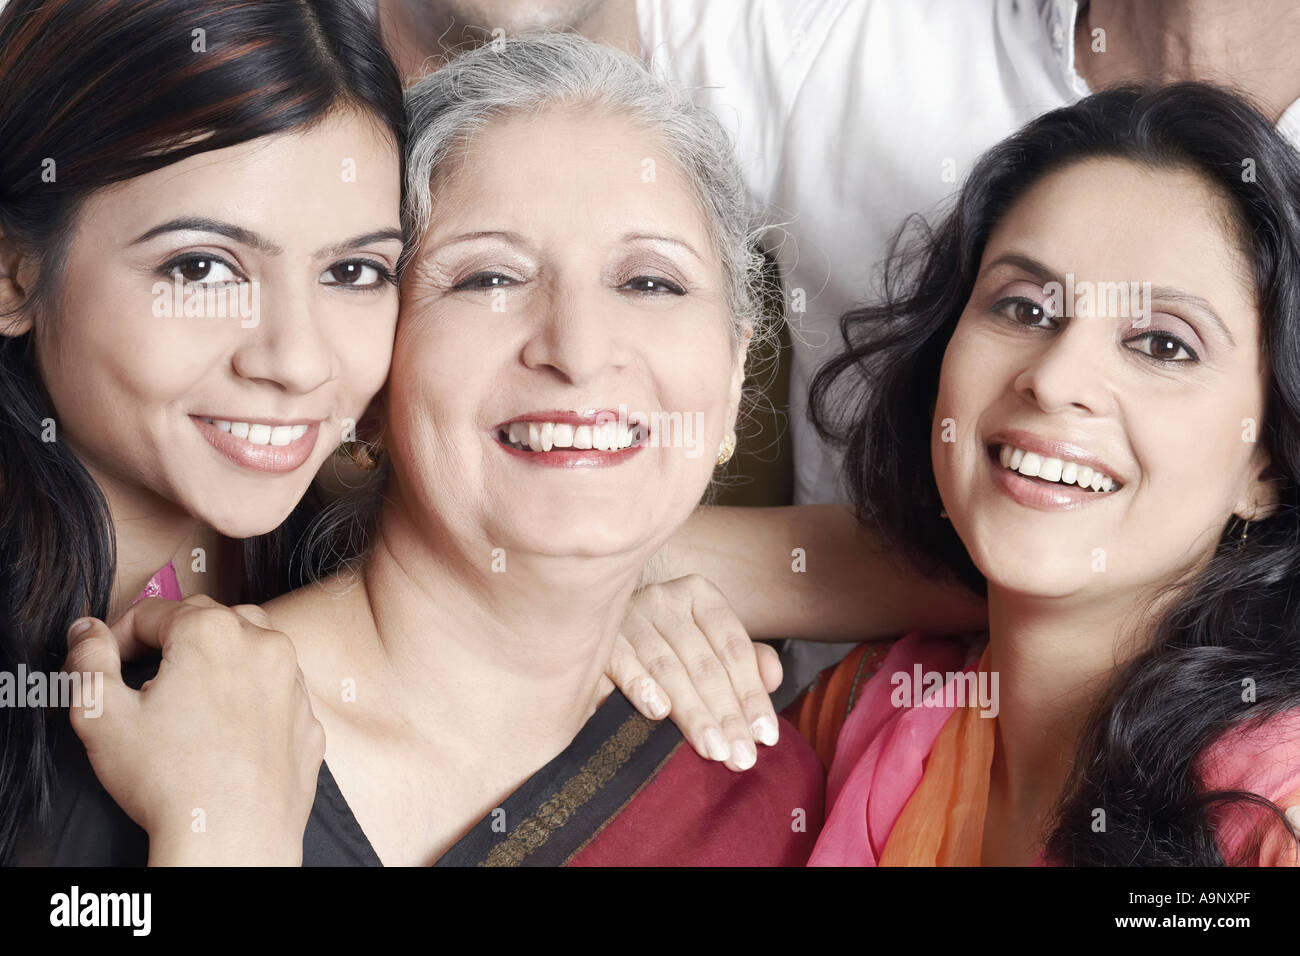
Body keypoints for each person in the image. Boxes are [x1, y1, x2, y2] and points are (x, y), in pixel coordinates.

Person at [28, 33, 829, 866]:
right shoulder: (138, 737)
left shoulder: (765, 793)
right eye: (489, 278)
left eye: (650, 282)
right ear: (374, 373)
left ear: (735, 372)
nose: (579, 349)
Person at [792, 83, 1300, 865]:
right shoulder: (861, 711)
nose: (1056, 375)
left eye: (1163, 344)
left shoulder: (1277, 820)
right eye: (1024, 308)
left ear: (1265, 465)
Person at [0, 0, 408, 864]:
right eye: (202, 266)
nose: (297, 361)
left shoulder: (362, 562)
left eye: (354, 270)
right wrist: (226, 831)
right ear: (13, 274)